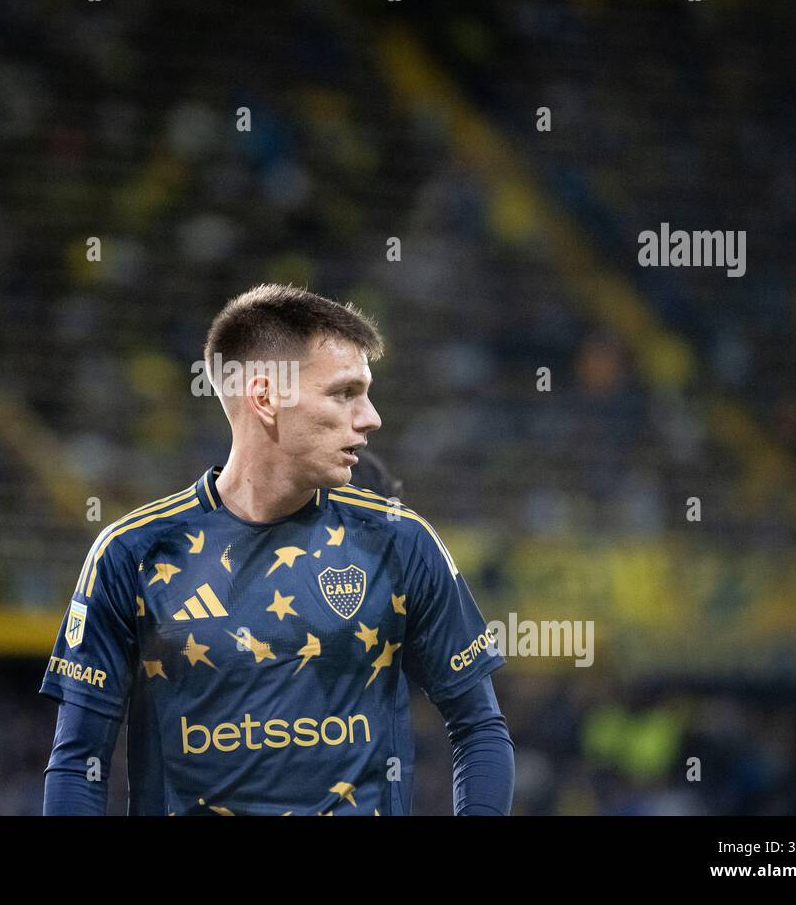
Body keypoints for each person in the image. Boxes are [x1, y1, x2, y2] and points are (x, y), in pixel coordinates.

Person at [40, 283, 514, 814]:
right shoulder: (132, 554)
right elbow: (79, 761)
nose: (370, 417)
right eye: (344, 393)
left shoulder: (400, 543)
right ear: (265, 397)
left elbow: (479, 729)